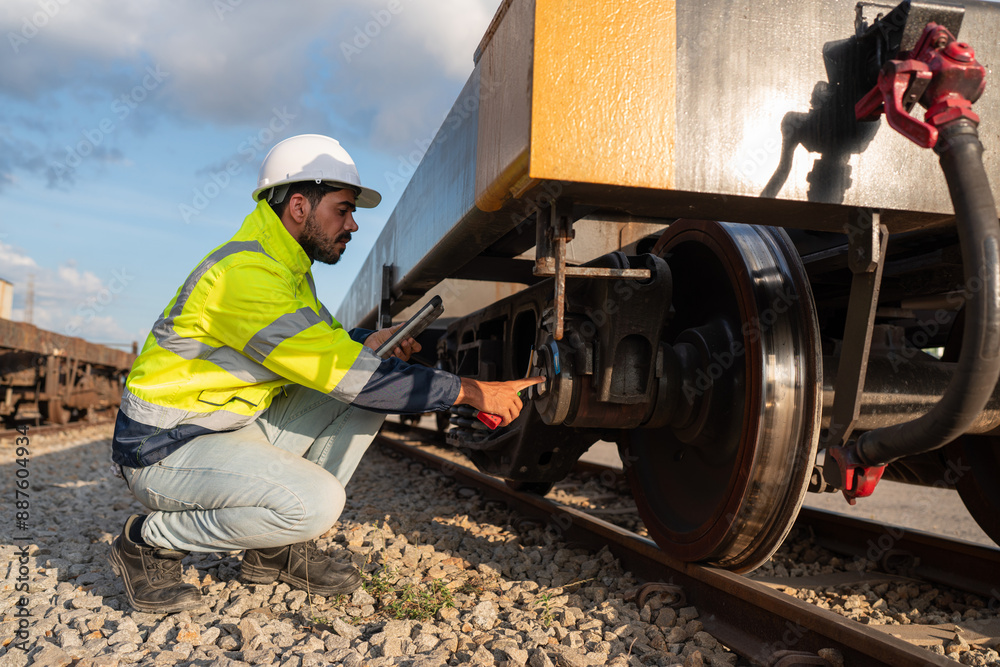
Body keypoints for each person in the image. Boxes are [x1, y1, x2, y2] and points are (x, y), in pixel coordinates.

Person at [109, 134, 542, 614]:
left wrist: (366, 345)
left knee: (365, 393)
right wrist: (470, 391)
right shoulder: (246, 276)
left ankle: (274, 547)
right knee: (318, 500)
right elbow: (351, 376)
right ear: (299, 206)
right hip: (164, 451)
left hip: (220, 428)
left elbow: (329, 355)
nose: (353, 224)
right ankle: (148, 542)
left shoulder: (288, 270)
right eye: (343, 209)